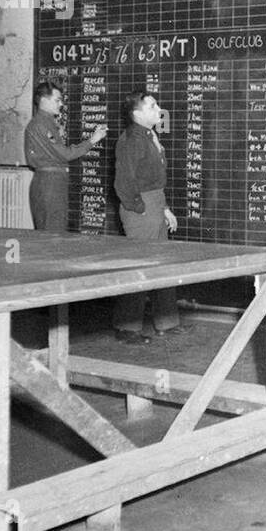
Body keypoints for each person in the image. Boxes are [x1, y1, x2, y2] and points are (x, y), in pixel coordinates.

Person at [112, 90, 187, 344]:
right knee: (139, 266)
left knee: (163, 264)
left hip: (154, 201)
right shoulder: (131, 139)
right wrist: (139, 208)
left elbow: (153, 179)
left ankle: (166, 322)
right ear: (137, 114)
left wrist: (163, 208)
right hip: (139, 207)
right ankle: (127, 328)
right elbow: (124, 182)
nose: (158, 109)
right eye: (152, 106)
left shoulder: (148, 135)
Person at [23, 80, 106, 232]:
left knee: (53, 229)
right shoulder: (41, 125)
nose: (60, 104)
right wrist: (92, 140)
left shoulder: (46, 123)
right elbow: (64, 154)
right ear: (43, 100)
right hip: (50, 184)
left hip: (52, 182)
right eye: (57, 100)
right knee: (53, 232)